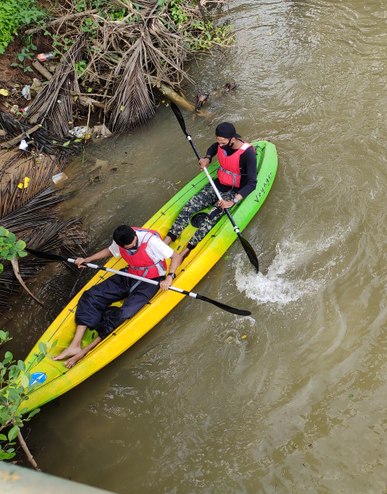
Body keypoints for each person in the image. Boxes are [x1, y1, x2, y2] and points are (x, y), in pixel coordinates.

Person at [53, 225, 184, 368]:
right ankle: (75, 344)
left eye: (134, 244)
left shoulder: (152, 241)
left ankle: (85, 351)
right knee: (92, 295)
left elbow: (175, 256)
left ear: (135, 235)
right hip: (130, 274)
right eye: (128, 247)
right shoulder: (120, 241)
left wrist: (169, 277)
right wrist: (88, 259)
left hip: (152, 280)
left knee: (125, 313)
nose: (133, 247)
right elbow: (110, 250)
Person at [165, 122, 257, 255]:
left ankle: (184, 252)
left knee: (209, 219)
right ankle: (168, 240)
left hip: (233, 191)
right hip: (218, 184)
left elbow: (252, 183)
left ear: (233, 139)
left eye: (222, 142)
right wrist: (207, 158)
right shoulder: (221, 144)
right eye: (218, 141)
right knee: (189, 206)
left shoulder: (247, 153)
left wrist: (232, 201)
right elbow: (214, 148)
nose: (220, 145)